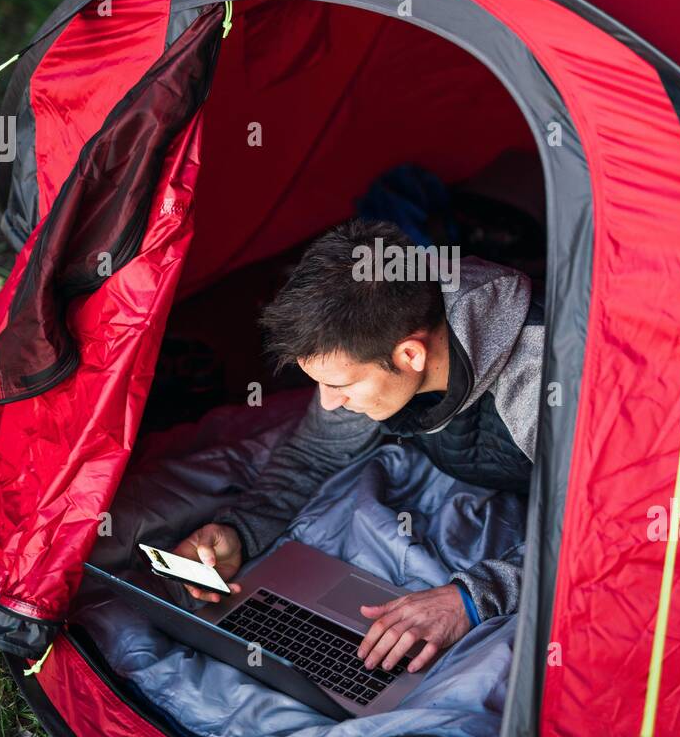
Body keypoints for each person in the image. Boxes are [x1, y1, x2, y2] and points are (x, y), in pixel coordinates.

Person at [174, 218, 544, 675]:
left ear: (411, 355)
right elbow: (316, 453)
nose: (329, 403)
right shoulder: (368, 337)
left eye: (340, 385)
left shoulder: (545, 381)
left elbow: (611, 532)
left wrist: (470, 599)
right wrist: (241, 532)